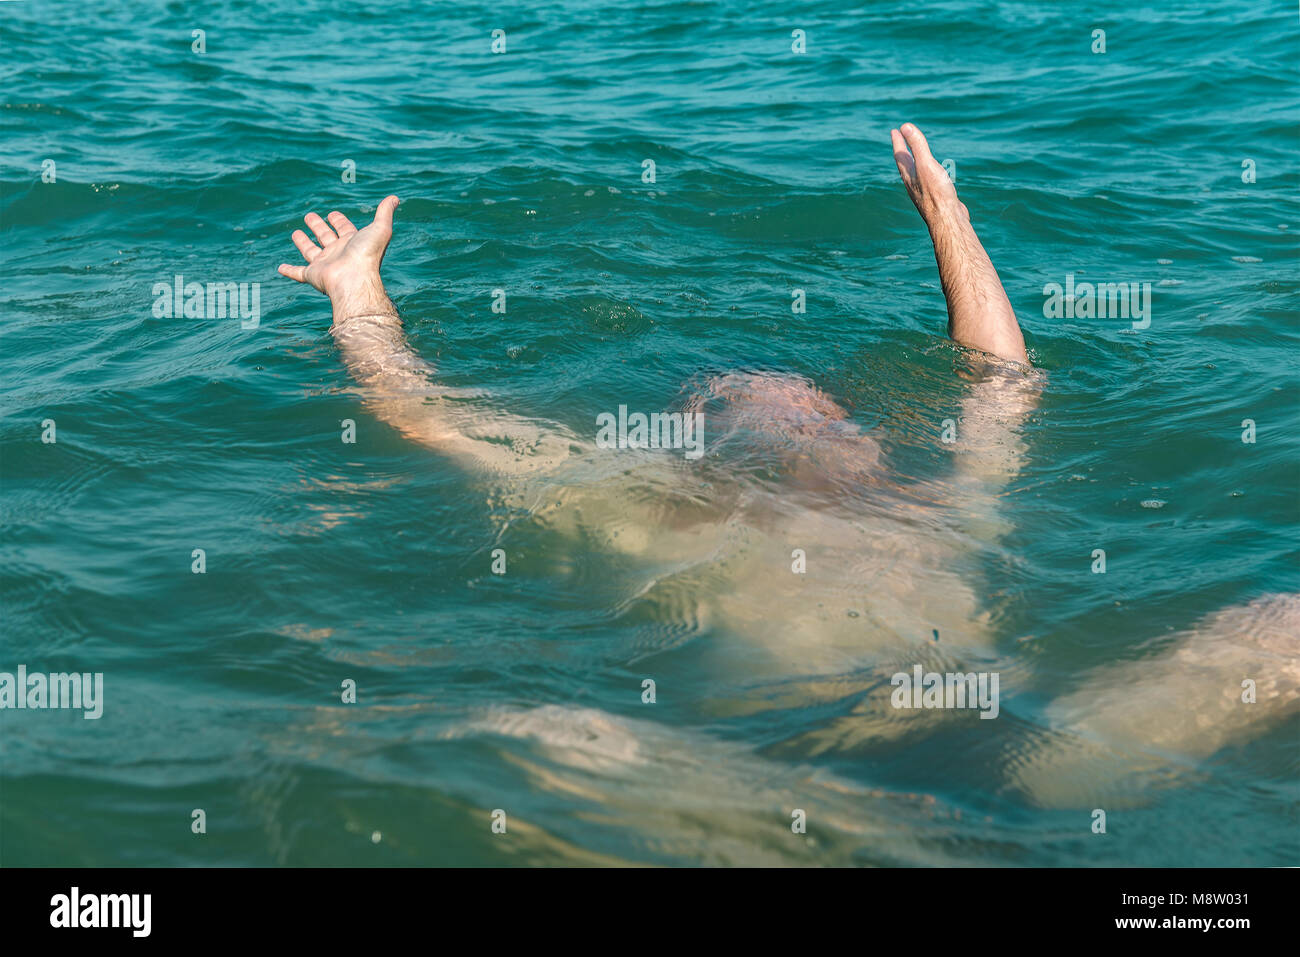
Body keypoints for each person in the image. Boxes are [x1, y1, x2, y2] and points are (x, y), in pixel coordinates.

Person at [278, 123, 1297, 805]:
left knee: (1282, 628)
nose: (790, 412)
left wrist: (948, 219)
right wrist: (355, 293)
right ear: (699, 445)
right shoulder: (641, 506)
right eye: (737, 406)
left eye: (812, 406)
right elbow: (430, 417)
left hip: (1015, 748)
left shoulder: (931, 496)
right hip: (811, 769)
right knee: (550, 736)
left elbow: (1001, 383)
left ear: (860, 430)